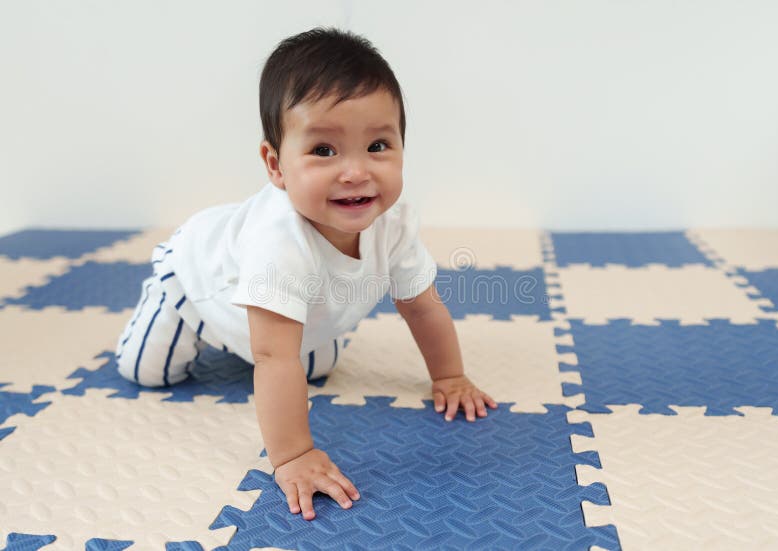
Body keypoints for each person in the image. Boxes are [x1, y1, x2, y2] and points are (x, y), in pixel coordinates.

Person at [115, 26, 498, 521]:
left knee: (314, 367)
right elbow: (274, 357)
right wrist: (293, 455)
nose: (356, 172)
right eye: (324, 151)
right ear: (275, 164)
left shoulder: (394, 221)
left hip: (302, 315)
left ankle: (272, 332)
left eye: (378, 145)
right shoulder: (278, 240)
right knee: (148, 373)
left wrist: (450, 376)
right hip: (198, 287)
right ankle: (169, 314)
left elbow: (421, 306)